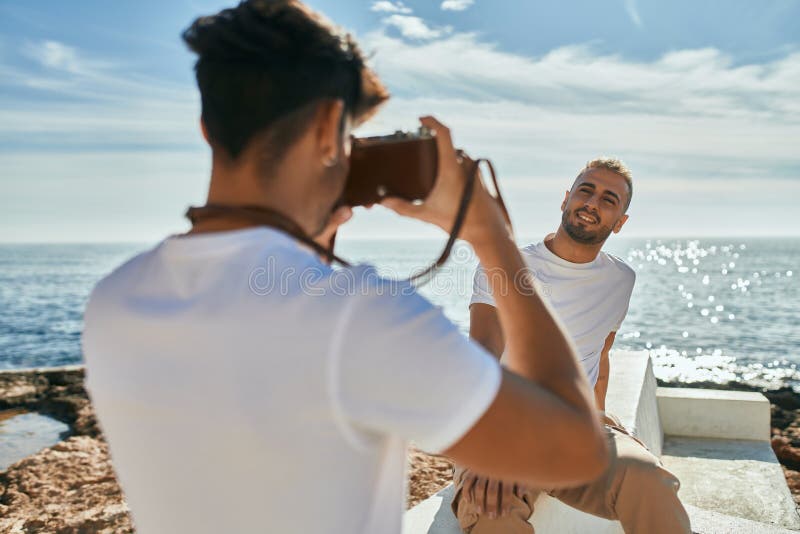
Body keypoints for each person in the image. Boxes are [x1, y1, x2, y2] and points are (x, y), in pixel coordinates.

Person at [81, 1, 609, 533]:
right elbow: (576, 451)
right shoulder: (357, 317)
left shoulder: (114, 299)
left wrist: (311, 222)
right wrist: (491, 238)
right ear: (331, 125)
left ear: (206, 126)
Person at [451, 158, 691, 533]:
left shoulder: (620, 279)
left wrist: (600, 414)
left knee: (651, 481)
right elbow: (482, 357)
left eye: (609, 199)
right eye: (586, 190)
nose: (593, 203)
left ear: (620, 222)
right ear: (565, 199)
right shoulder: (506, 264)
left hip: (575, 428)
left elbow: (600, 353)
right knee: (492, 511)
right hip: (502, 425)